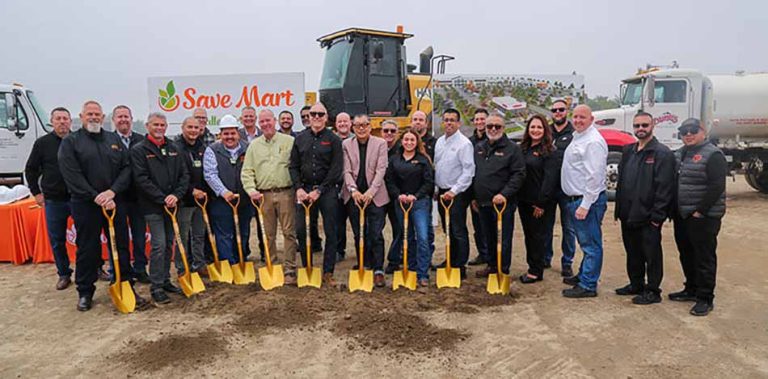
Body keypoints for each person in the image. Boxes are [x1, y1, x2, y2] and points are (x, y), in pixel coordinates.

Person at [58, 100, 144, 311]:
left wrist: (112, 192)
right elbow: (71, 174)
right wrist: (94, 196)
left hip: (114, 202)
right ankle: (85, 291)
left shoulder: (113, 140)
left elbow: (126, 170)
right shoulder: (71, 142)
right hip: (86, 204)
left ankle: (125, 285)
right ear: (82, 116)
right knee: (88, 248)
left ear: (103, 117)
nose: (94, 117)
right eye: (90, 114)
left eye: (97, 114)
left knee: (121, 246)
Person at [613, 111, 676, 304]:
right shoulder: (628, 151)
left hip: (649, 218)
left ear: (652, 126)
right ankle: (636, 284)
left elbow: (665, 189)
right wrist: (619, 210)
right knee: (633, 253)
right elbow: (622, 182)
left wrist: (658, 217)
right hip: (628, 214)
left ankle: (653, 291)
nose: (640, 129)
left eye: (644, 125)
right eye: (637, 126)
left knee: (652, 255)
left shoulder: (662, 153)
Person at [670, 118, 727, 316]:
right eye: (683, 131)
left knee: (704, 257)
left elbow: (717, 186)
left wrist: (700, 211)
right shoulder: (680, 153)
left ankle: (705, 298)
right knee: (686, 253)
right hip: (683, 214)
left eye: (693, 130)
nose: (688, 134)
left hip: (704, 217)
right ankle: (691, 289)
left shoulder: (713, 155)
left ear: (703, 131)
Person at [131, 113, 189, 304]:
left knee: (169, 243)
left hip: (172, 206)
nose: (159, 128)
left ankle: (165, 280)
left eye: (162, 125)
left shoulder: (173, 148)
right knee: (158, 245)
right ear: (147, 126)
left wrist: (176, 196)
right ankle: (155, 285)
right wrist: (162, 198)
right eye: (155, 124)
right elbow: (141, 180)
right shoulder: (139, 150)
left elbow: (184, 175)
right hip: (153, 207)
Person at [289, 102, 343, 286]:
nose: (317, 117)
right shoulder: (300, 139)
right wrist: (299, 188)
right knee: (302, 231)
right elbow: (293, 166)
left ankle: (328, 272)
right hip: (304, 191)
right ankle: (307, 269)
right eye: (313, 114)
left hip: (326, 191)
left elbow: (336, 169)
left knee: (331, 232)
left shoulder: (334, 140)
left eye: (321, 114)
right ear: (308, 117)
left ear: (326, 117)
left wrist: (319, 190)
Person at [241, 109, 298, 284]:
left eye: (269, 121)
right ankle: (271, 264)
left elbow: (297, 166)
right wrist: (251, 190)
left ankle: (289, 268)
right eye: (263, 121)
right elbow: (247, 171)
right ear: (259, 123)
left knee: (289, 232)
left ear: (275, 121)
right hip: (263, 196)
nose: (266, 124)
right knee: (268, 233)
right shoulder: (254, 146)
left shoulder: (289, 142)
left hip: (286, 193)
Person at [560, 105, 608, 298]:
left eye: (582, 117)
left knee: (591, 244)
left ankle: (588, 285)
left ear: (592, 119)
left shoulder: (593, 142)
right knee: (585, 241)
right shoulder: (579, 136)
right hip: (576, 199)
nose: (578, 120)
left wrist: (585, 204)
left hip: (586, 201)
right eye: (575, 116)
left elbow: (594, 176)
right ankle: (583, 275)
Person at [472, 114, 526, 279]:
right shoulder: (479, 148)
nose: (493, 129)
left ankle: (503, 268)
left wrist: (504, 194)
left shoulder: (512, 149)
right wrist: (474, 197)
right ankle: (491, 265)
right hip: (483, 202)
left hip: (502, 203)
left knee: (503, 238)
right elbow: (473, 173)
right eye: (489, 126)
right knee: (488, 235)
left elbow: (519, 174)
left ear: (503, 128)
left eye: (497, 126)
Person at [25, 107, 73, 290]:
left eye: (65, 119)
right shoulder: (42, 143)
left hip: (78, 198)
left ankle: (96, 267)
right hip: (54, 200)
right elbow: (31, 169)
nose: (62, 122)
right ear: (52, 122)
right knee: (57, 239)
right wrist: (36, 193)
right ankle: (63, 273)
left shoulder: (78, 141)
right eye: (58, 119)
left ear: (70, 121)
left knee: (88, 236)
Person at [341, 114, 390, 287]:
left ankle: (378, 270)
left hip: (375, 197)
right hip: (354, 197)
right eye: (358, 125)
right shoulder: (346, 144)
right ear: (353, 127)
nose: (361, 128)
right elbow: (346, 170)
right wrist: (353, 190)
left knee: (375, 234)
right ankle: (364, 263)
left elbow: (381, 170)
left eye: (365, 125)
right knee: (358, 233)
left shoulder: (380, 143)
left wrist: (370, 192)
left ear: (370, 126)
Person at [385, 129, 434, 287]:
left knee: (423, 237)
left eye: (412, 140)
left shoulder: (423, 160)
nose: (409, 143)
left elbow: (428, 183)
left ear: (417, 142)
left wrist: (416, 195)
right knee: (407, 236)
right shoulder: (394, 160)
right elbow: (390, 181)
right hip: (401, 202)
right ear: (402, 141)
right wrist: (398, 195)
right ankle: (411, 269)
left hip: (419, 203)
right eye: (406, 139)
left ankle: (422, 273)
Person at [203, 115, 253, 264]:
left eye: (232, 133)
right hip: (221, 201)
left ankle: (241, 259)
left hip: (244, 199)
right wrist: (224, 192)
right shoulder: (212, 150)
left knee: (243, 231)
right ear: (220, 134)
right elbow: (210, 174)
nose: (229, 137)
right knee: (224, 234)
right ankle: (228, 263)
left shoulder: (247, 148)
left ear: (238, 133)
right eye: (226, 133)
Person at [434, 108, 475, 279]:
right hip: (442, 192)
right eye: (446, 120)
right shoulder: (440, 142)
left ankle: (461, 264)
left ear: (459, 123)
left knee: (458, 229)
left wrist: (454, 191)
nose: (449, 123)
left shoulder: (464, 144)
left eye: (452, 120)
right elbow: (437, 167)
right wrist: (437, 189)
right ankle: (450, 258)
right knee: (447, 228)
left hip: (457, 193)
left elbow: (469, 171)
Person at [517, 114, 559, 283]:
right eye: (532, 127)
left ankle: (536, 271)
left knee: (537, 237)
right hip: (524, 201)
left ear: (545, 130)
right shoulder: (523, 148)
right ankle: (532, 266)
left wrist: (541, 203)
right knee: (529, 235)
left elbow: (550, 180)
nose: (535, 130)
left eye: (539, 127)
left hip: (540, 204)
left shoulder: (549, 151)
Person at [112, 105, 149, 284]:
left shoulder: (141, 140)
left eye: (126, 116)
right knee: (120, 238)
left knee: (140, 236)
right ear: (114, 120)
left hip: (138, 197)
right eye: (120, 117)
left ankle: (140, 268)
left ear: (131, 119)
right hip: (117, 198)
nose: (123, 120)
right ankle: (122, 271)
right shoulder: (108, 141)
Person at [545, 99, 577, 277]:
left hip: (567, 188)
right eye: (554, 110)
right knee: (546, 226)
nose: (558, 112)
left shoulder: (574, 133)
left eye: (561, 109)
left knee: (569, 227)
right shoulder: (545, 132)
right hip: (549, 187)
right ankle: (545, 257)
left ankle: (567, 262)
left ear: (567, 111)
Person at [174, 116, 208, 277]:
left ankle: (199, 264)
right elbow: (176, 176)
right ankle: (182, 268)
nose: (193, 131)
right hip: (184, 201)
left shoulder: (202, 147)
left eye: (196, 128)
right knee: (183, 236)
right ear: (183, 128)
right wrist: (190, 190)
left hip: (201, 200)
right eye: (190, 127)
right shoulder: (176, 148)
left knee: (199, 234)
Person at [380, 120, 404, 274]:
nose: (389, 133)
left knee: (399, 229)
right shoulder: (376, 147)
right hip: (379, 195)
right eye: (386, 130)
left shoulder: (402, 149)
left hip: (396, 195)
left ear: (397, 133)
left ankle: (395, 259)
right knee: (375, 229)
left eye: (392, 131)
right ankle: (374, 260)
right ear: (381, 132)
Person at [468, 108, 490, 267]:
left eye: (483, 119)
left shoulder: (494, 139)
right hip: (475, 190)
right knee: (478, 225)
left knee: (491, 226)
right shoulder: (470, 142)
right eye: (477, 119)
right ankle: (483, 253)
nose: (480, 122)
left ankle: (492, 256)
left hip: (491, 191)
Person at [334, 112, 353, 261]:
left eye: (345, 121)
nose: (342, 124)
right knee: (337, 222)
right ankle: (339, 250)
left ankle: (363, 251)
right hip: (336, 185)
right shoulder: (332, 140)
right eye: (339, 122)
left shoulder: (356, 139)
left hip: (353, 186)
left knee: (356, 221)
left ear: (350, 123)